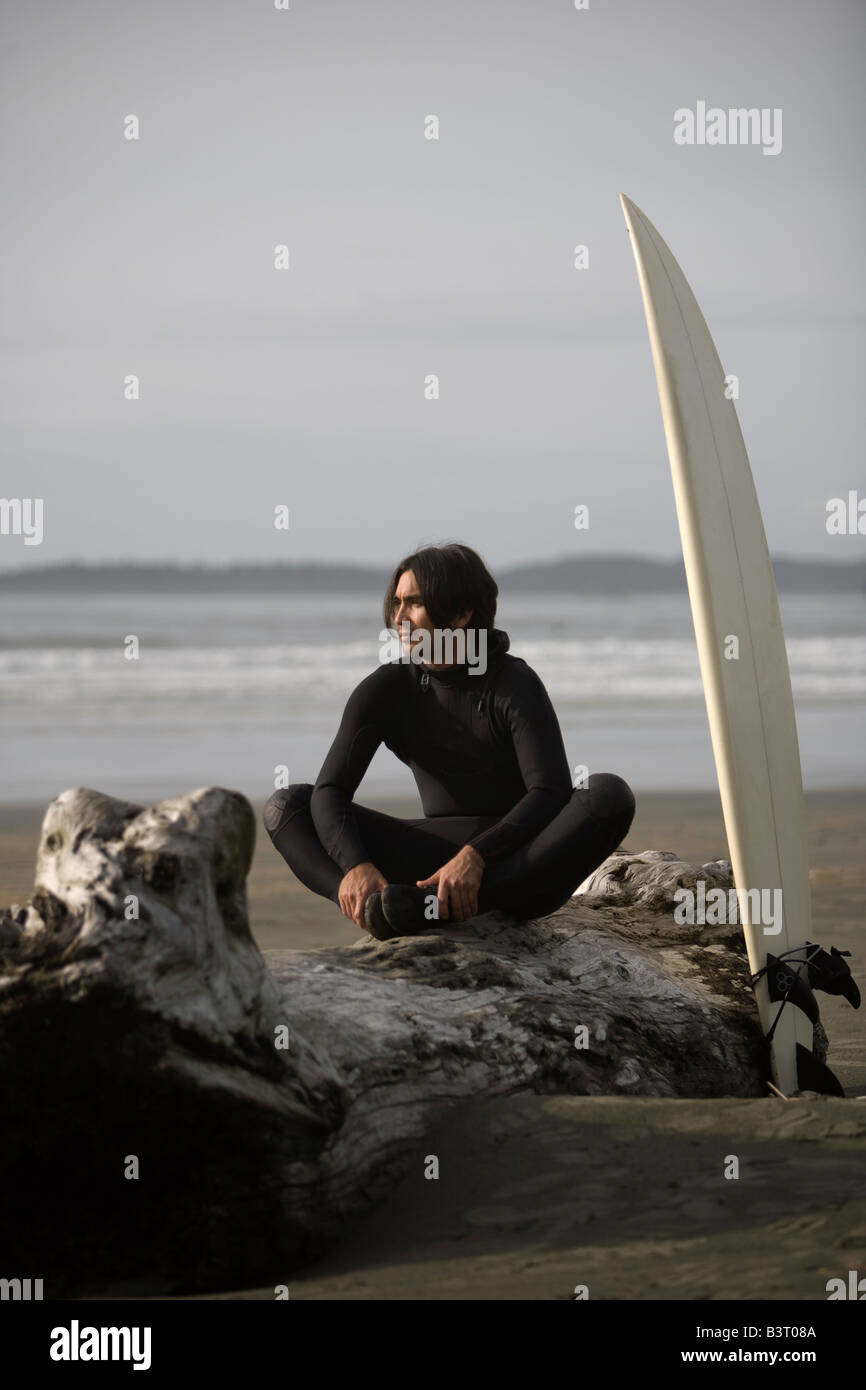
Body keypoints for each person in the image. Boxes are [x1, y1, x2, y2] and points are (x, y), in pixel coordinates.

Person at [263, 542, 635, 939]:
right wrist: (355, 866)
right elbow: (330, 792)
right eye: (397, 603)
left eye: (415, 603)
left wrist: (475, 857)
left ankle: (433, 908)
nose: (400, 617)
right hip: (430, 859)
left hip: (522, 864)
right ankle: (377, 907)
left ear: (461, 613)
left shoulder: (511, 684)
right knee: (287, 806)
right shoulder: (387, 690)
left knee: (607, 794)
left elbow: (549, 792)